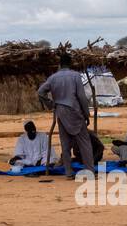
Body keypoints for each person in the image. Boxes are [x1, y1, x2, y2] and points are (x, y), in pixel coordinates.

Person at [37, 50, 96, 178]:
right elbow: (81, 97)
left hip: (60, 112)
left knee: (65, 144)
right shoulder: (75, 76)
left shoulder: (53, 78)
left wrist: (51, 104)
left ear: (60, 64)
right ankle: (90, 171)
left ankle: (68, 172)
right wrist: (86, 114)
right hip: (74, 111)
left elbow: (40, 92)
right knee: (85, 143)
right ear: (70, 64)